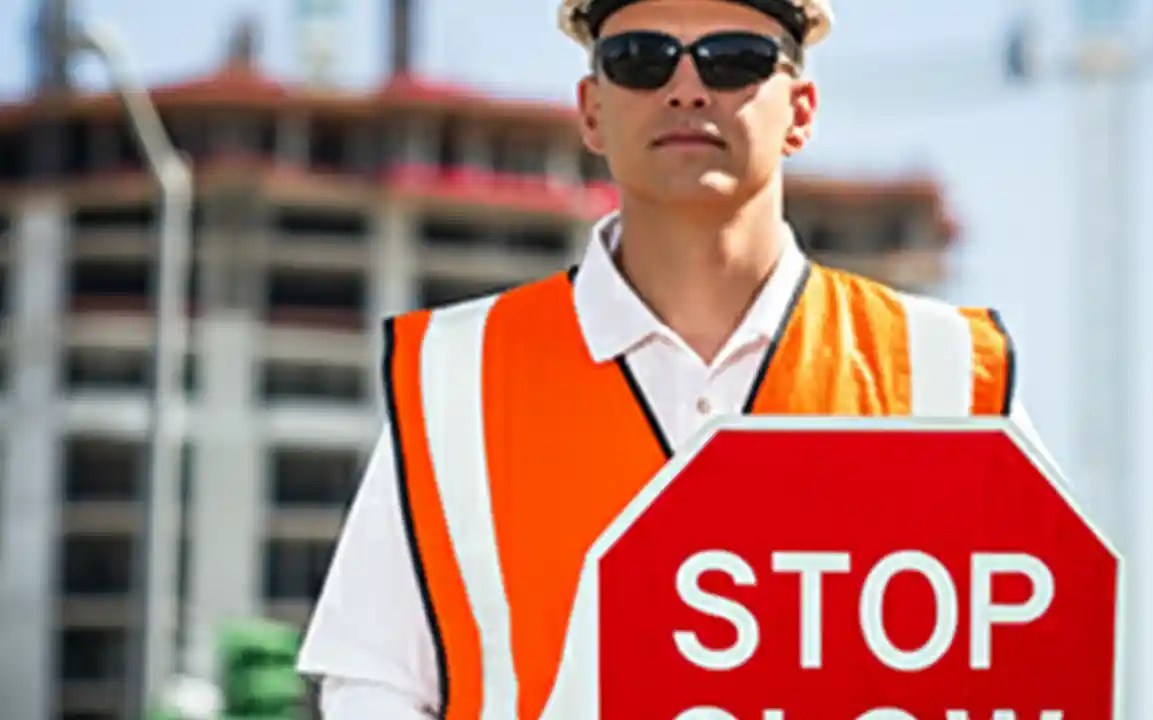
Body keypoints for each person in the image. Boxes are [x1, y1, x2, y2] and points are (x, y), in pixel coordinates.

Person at [297, 0, 1053, 716]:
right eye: (641, 58)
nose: (687, 88)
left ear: (801, 111)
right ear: (592, 110)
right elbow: (376, 687)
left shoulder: (947, 376)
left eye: (734, 60)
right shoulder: (458, 382)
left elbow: (1040, 669)